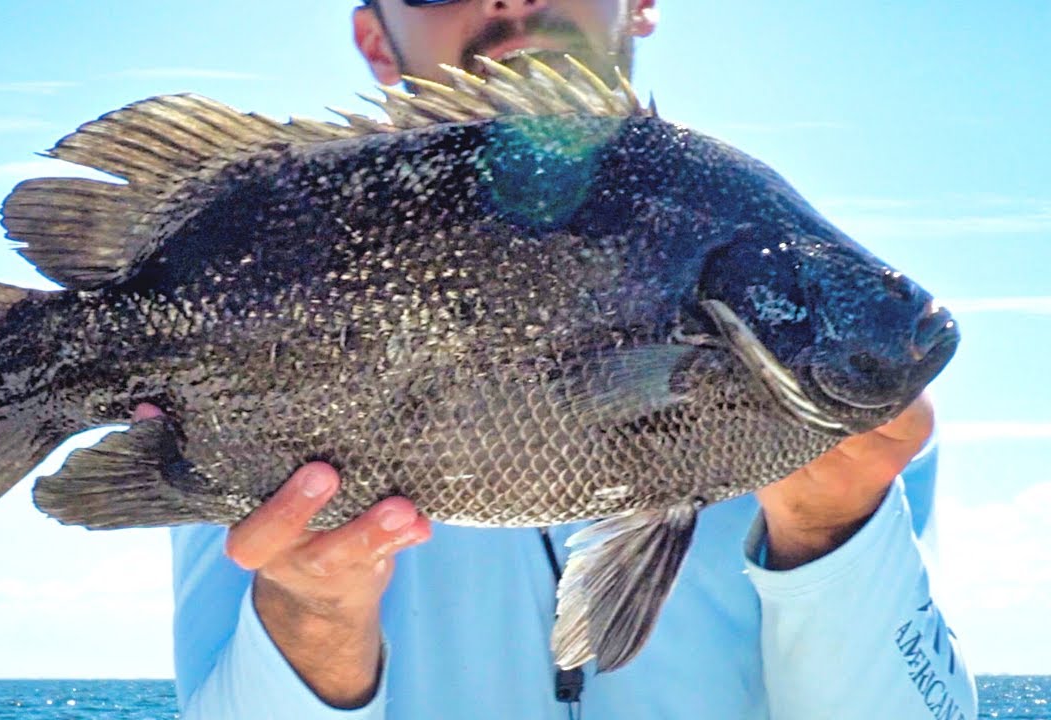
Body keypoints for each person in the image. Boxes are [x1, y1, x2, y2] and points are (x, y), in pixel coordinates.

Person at [166, 1, 979, 717]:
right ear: (375, 38)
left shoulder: (869, 434)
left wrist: (834, 532)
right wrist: (311, 619)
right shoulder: (256, 310)